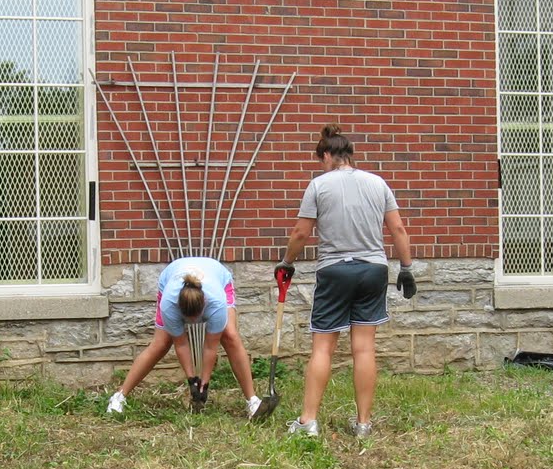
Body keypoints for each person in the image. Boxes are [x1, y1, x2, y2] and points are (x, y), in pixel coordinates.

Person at [276, 124, 414, 439]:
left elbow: (300, 233)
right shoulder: (378, 183)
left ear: (327, 155)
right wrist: (406, 267)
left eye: (320, 159)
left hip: (335, 271)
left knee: (323, 347)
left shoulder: (318, 185)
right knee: (364, 348)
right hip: (373, 270)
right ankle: (363, 424)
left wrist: (287, 263)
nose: (320, 166)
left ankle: (308, 421)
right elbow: (398, 230)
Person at [107, 256, 263, 418]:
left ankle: (252, 400)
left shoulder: (216, 302)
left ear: (204, 305)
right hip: (170, 277)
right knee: (161, 343)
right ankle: (119, 397)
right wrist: (191, 379)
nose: (194, 323)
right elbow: (180, 344)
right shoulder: (169, 304)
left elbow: (211, 346)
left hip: (218, 277)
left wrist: (205, 382)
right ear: (179, 309)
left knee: (230, 335)